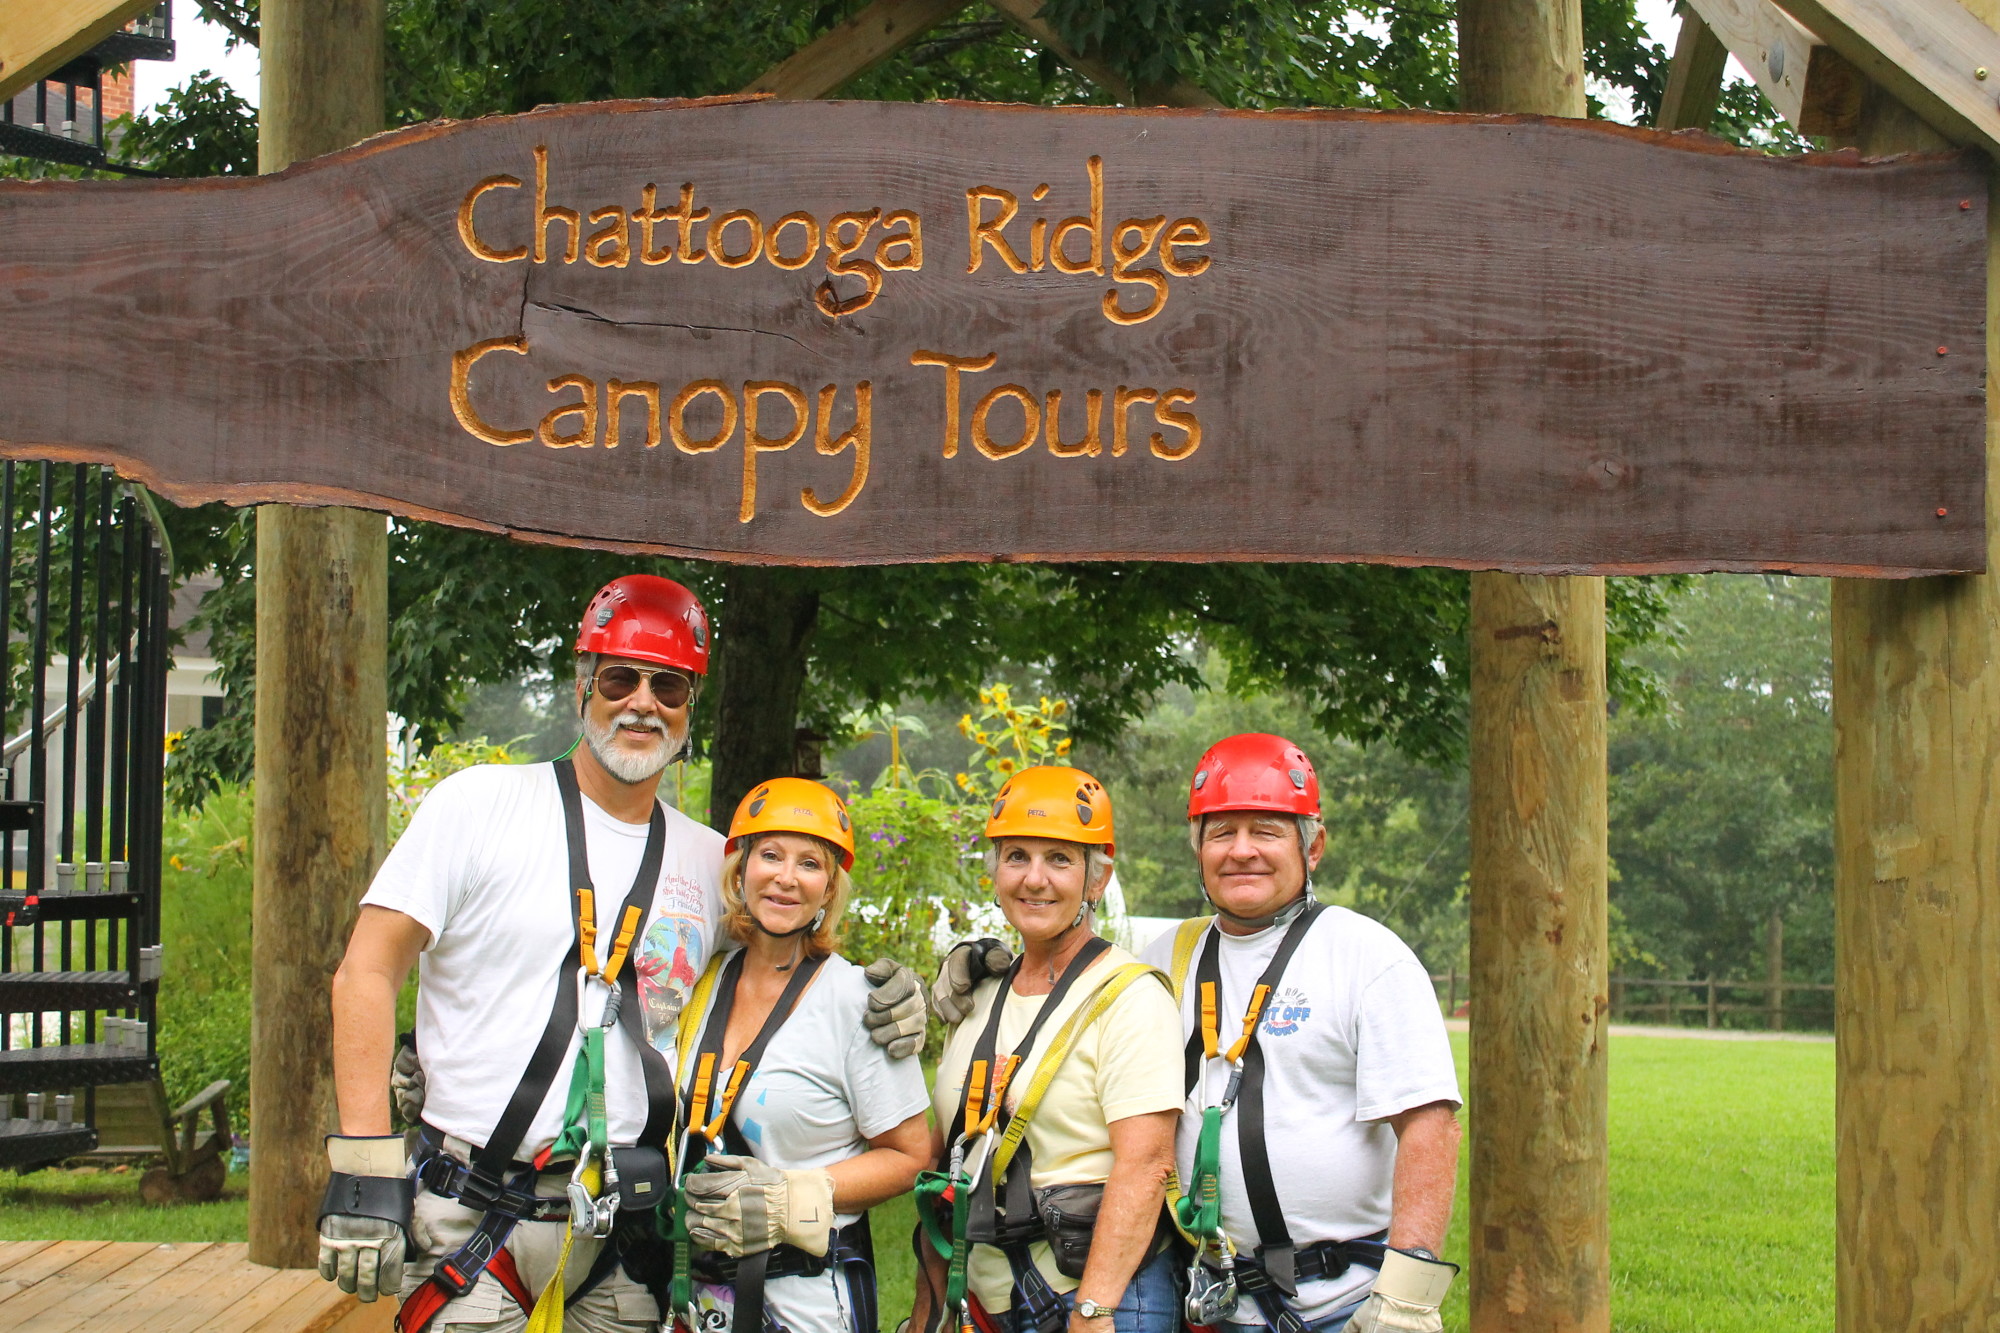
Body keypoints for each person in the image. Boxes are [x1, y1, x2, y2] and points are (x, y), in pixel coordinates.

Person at [316, 574, 929, 1333]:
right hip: (471, 1209)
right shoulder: (477, 808)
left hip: (621, 1235)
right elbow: (367, 969)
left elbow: (797, 952)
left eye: (668, 684)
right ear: (583, 688)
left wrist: (915, 990)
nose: (643, 701)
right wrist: (364, 1165)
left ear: (689, 707)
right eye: (620, 677)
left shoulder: (710, 862)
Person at [1138, 734, 1462, 1333]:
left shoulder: (1366, 957)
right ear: (1198, 849)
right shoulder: (1163, 959)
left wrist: (1408, 1296)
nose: (1241, 852)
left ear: (1312, 846)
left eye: (1265, 830)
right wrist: (980, 969)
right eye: (1221, 833)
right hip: (1211, 1303)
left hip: (1348, 1308)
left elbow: (1429, 1126)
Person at [913, 766, 1183, 1333]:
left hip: (1100, 1295)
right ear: (995, 871)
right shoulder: (980, 994)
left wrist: (1094, 1308)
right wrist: (929, 1305)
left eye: (1060, 859)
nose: (1035, 879)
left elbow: (1146, 1164)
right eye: (1017, 857)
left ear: (1096, 878)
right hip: (989, 1296)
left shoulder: (1130, 996)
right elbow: (950, 1164)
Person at [669, 777, 932, 1333]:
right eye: (770, 855)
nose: (786, 878)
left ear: (830, 888)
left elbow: (912, 1157)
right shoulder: (705, 981)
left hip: (809, 1301)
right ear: (740, 870)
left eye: (809, 864)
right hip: (696, 1296)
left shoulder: (858, 1001)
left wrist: (791, 1198)